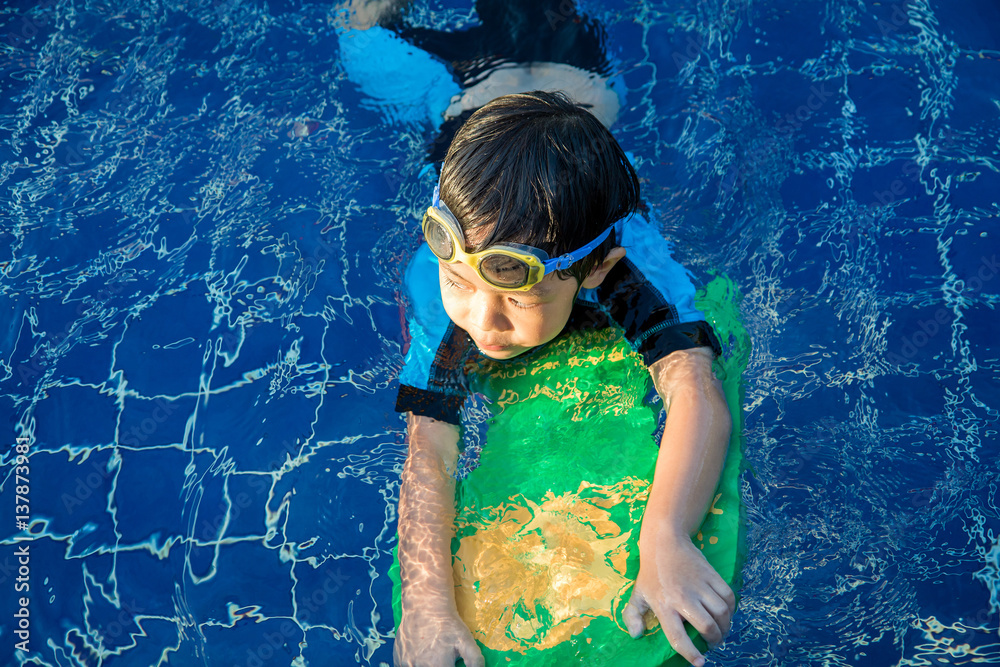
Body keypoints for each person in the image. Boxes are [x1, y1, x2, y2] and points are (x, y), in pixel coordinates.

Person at [393, 91, 735, 667]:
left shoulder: (628, 271)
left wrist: (666, 535)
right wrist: (426, 602)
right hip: (461, 130)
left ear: (595, 269)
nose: (481, 321)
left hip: (577, 202)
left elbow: (695, 388)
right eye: (459, 283)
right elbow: (428, 448)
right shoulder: (434, 287)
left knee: (598, 96)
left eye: (517, 300)